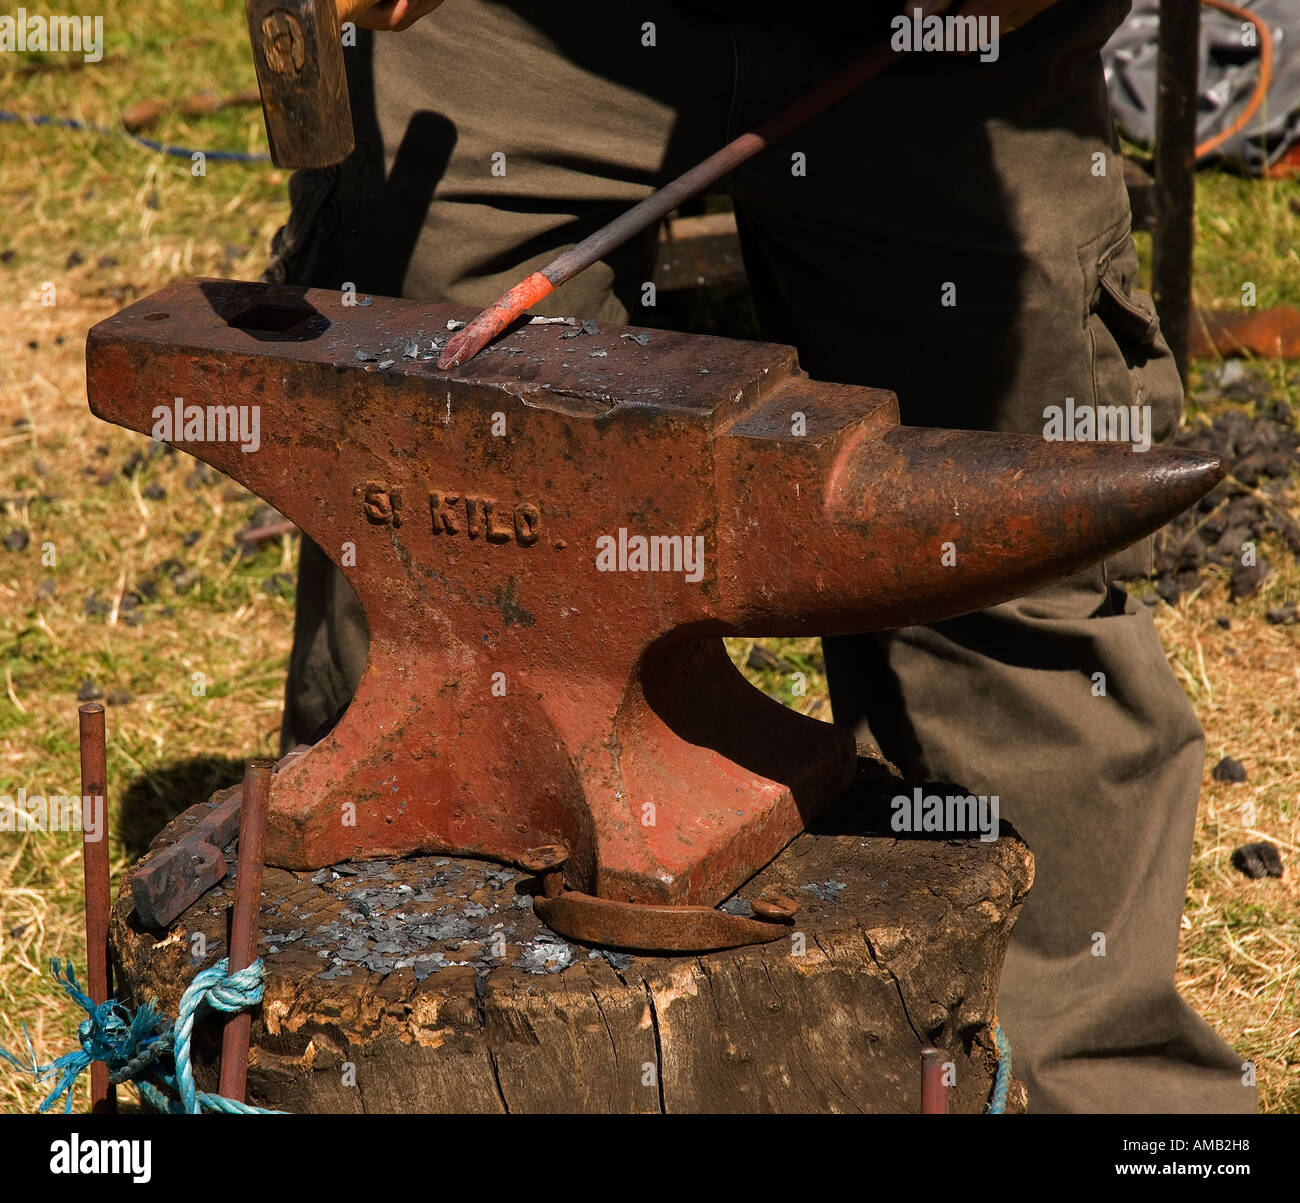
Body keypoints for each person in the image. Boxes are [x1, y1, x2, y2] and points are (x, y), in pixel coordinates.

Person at [266, 0, 1254, 1113]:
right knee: (440, 539)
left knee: (1009, 583)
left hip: (937, 36)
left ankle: (1097, 1093)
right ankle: (410, 1063)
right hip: (515, 33)